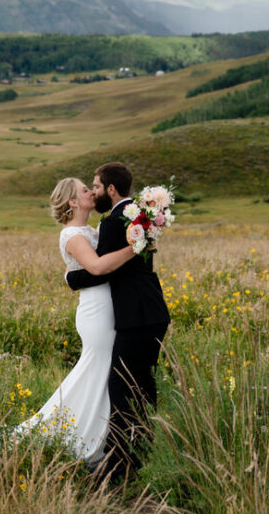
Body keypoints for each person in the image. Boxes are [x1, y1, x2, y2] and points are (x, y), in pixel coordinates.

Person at [13, 177, 134, 466]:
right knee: (99, 369)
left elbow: (79, 270)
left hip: (106, 307)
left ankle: (98, 435)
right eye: (84, 190)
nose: (91, 192)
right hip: (96, 312)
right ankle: (84, 439)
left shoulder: (90, 230)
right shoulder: (73, 235)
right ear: (72, 202)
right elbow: (96, 267)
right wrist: (137, 247)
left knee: (103, 372)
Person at [66, 162, 171, 482]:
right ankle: (140, 454)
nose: (93, 191)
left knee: (123, 388)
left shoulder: (115, 223)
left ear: (111, 190)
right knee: (142, 384)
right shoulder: (138, 215)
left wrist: (72, 277)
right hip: (150, 311)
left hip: (135, 316)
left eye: (96, 186)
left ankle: (119, 467)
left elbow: (104, 269)